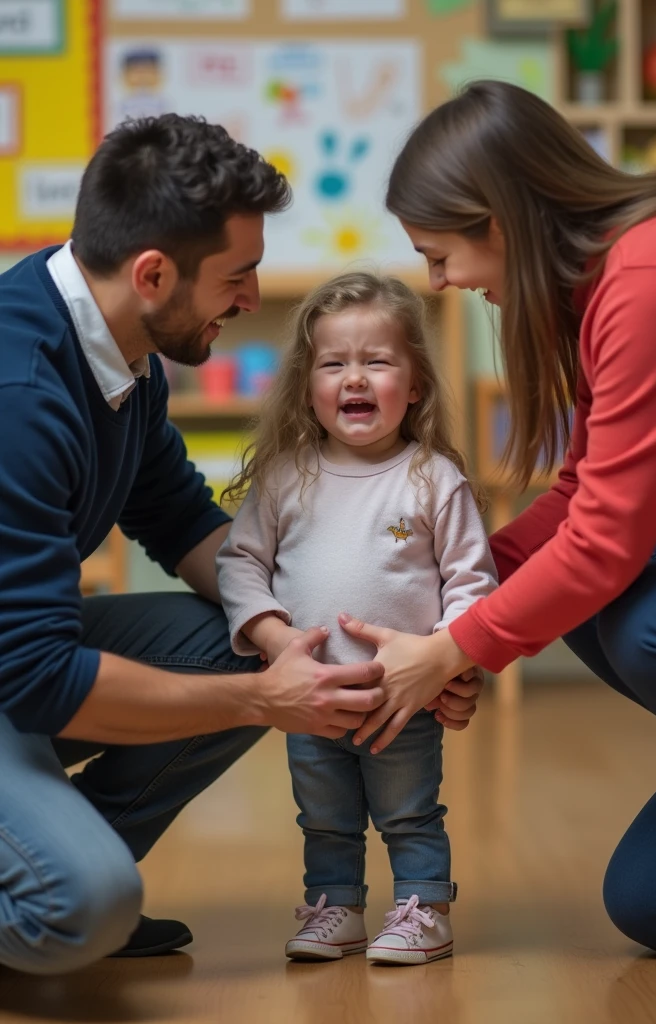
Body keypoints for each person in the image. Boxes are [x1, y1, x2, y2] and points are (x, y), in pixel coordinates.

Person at [0, 114, 406, 976]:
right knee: (83, 906)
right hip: (18, 674)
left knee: (241, 640)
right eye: (236, 276)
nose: (252, 299)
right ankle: (59, 885)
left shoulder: (118, 349)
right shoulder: (22, 394)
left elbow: (182, 522)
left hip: (16, 660)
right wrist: (264, 700)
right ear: (153, 274)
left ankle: (50, 863)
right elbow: (37, 681)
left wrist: (330, 634)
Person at [330, 79, 656, 958]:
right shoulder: (598, 286)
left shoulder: (650, 277)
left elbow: (605, 541)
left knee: (644, 628)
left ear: (497, 223)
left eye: (439, 256)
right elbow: (583, 491)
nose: (439, 282)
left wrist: (454, 648)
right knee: (655, 905)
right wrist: (453, 598)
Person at [217, 271, 495, 965]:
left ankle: (424, 910)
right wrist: (275, 638)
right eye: (334, 364)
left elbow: (472, 582)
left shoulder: (435, 479)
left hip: (403, 700)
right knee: (324, 818)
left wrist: (449, 657)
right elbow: (239, 563)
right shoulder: (285, 476)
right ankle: (335, 908)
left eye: (377, 361)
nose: (356, 378)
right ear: (306, 385)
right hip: (310, 697)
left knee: (410, 812)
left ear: (417, 383)